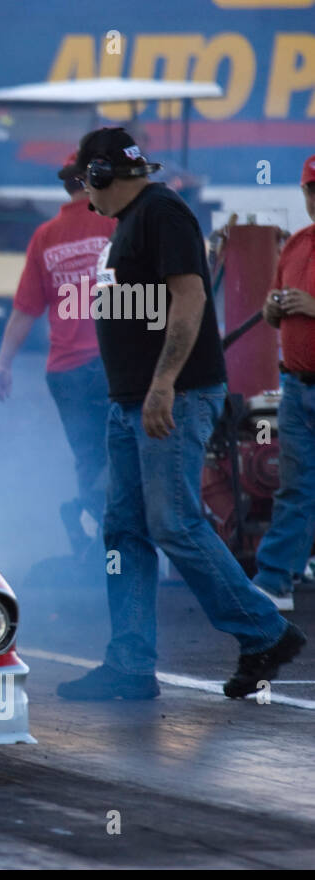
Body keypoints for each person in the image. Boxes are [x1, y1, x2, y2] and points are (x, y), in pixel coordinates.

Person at [54, 127, 306, 701]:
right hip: (133, 402)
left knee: (174, 523)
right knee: (125, 530)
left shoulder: (161, 214)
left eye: (87, 184)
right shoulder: (132, 224)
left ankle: (266, 632)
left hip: (170, 398)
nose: (86, 198)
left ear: (99, 177)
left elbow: (189, 298)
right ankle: (130, 665)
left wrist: (163, 385)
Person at [0, 153, 114, 556]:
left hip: (65, 372)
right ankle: (118, 538)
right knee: (126, 451)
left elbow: (26, 308)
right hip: (115, 365)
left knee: (88, 456)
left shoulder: (46, 235)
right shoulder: (117, 223)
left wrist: (3, 365)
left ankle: (93, 534)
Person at [249, 153, 315, 611]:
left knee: (298, 485)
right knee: (294, 485)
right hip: (297, 387)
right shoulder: (296, 244)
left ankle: (278, 574)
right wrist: (275, 310)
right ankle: (276, 580)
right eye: (312, 189)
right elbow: (272, 307)